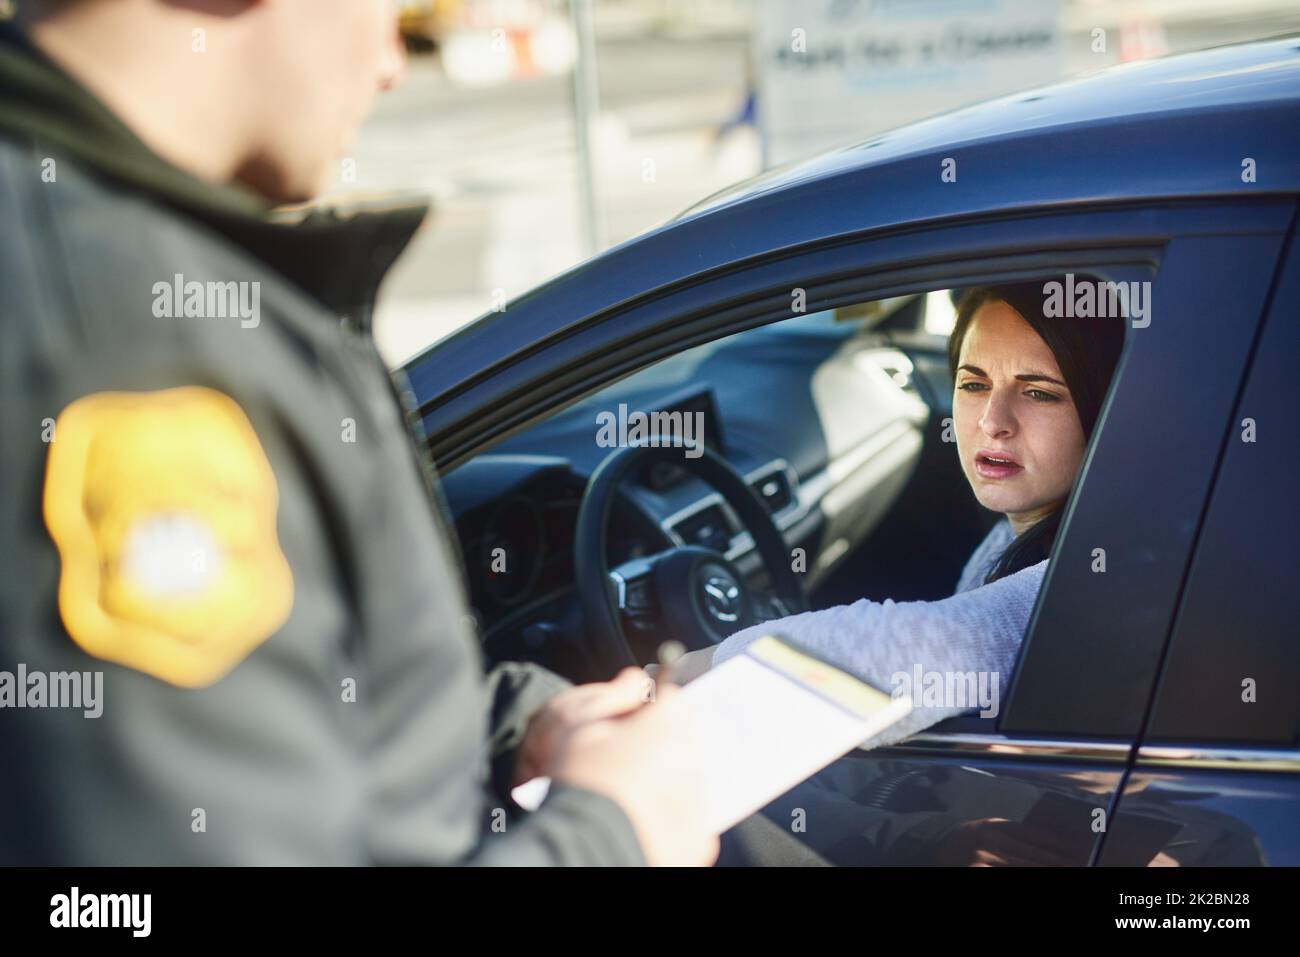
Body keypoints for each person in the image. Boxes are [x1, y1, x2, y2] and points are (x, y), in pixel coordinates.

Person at [0, 0, 717, 866]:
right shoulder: (119, 341)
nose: (390, 58)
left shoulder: (131, 266)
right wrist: (611, 835)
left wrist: (506, 729)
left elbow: (279, 730)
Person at [675, 280, 1125, 746]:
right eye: (973, 383)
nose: (992, 421)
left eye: (1039, 394)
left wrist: (688, 676)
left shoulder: (1103, 571)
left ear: (1106, 409)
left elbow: (936, 646)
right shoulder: (1015, 536)